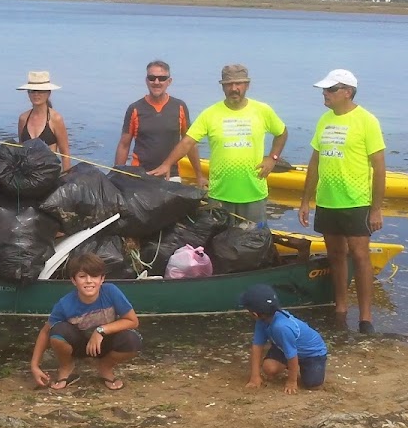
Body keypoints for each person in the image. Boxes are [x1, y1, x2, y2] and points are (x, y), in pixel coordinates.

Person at [297, 69, 386, 335]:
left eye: (330, 90)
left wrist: (376, 208)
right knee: (335, 256)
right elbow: (315, 162)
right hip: (328, 201)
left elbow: (379, 167)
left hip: (356, 201)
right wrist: (305, 201)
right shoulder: (324, 120)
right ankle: (340, 308)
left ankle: (366, 317)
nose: (325, 94)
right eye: (324, 90)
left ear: (347, 92)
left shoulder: (367, 121)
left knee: (360, 256)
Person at [147, 64, 288, 225]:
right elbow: (188, 141)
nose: (234, 88)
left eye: (238, 83)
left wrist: (272, 158)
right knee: (221, 244)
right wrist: (167, 164)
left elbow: (281, 133)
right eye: (228, 84)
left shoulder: (263, 110)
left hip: (254, 194)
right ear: (222, 87)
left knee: (254, 244)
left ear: (247, 85)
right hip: (220, 195)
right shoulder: (210, 114)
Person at [30, 253, 142, 391]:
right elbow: (45, 332)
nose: (89, 281)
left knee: (132, 340)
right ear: (73, 280)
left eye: (94, 276)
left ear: (102, 279)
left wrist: (100, 330)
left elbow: (132, 321)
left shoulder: (111, 292)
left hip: (103, 343)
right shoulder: (65, 304)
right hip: (79, 345)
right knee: (57, 332)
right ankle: (66, 367)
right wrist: (34, 366)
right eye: (82, 276)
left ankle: (105, 367)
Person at [115, 60, 204, 184]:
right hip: (141, 174)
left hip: (171, 175)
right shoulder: (134, 108)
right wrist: (117, 175)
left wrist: (199, 176)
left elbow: (189, 143)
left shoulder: (180, 107)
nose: (156, 82)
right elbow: (124, 145)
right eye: (152, 78)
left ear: (169, 81)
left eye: (162, 78)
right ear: (146, 80)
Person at [240, 284, 328, 394]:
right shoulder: (262, 321)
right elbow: (257, 345)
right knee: (269, 368)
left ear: (255, 314)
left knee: (312, 384)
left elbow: (292, 354)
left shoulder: (281, 327)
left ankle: (303, 366)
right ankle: (292, 366)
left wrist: (292, 381)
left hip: (312, 353)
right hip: (283, 347)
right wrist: (255, 376)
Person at [16, 71, 71, 172]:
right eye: (32, 91)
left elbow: (65, 155)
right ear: (28, 93)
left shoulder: (55, 119)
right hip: (27, 175)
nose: (36, 94)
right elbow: (20, 150)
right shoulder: (23, 118)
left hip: (49, 175)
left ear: (48, 93)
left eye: (40, 91)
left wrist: (65, 178)